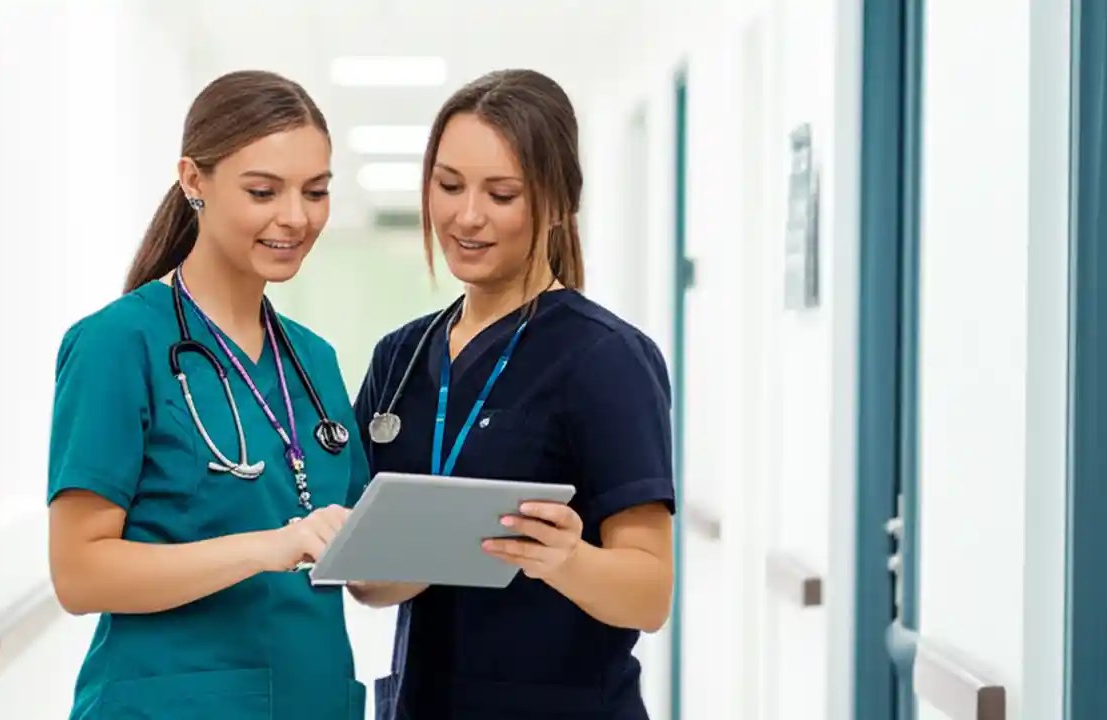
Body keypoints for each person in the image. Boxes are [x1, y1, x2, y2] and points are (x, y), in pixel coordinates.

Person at [347, 69, 676, 720]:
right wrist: (387, 564)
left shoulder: (605, 358)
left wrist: (567, 560)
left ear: (557, 205)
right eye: (449, 186)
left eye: (501, 194)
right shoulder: (400, 358)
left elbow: (649, 594)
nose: (467, 216)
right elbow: (369, 580)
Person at [46, 70, 368, 720]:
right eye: (263, 191)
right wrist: (266, 547)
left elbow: (361, 560)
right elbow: (79, 574)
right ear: (194, 180)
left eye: (316, 191)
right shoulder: (118, 344)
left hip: (313, 699)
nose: (296, 217)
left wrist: (470, 535)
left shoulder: (313, 362)